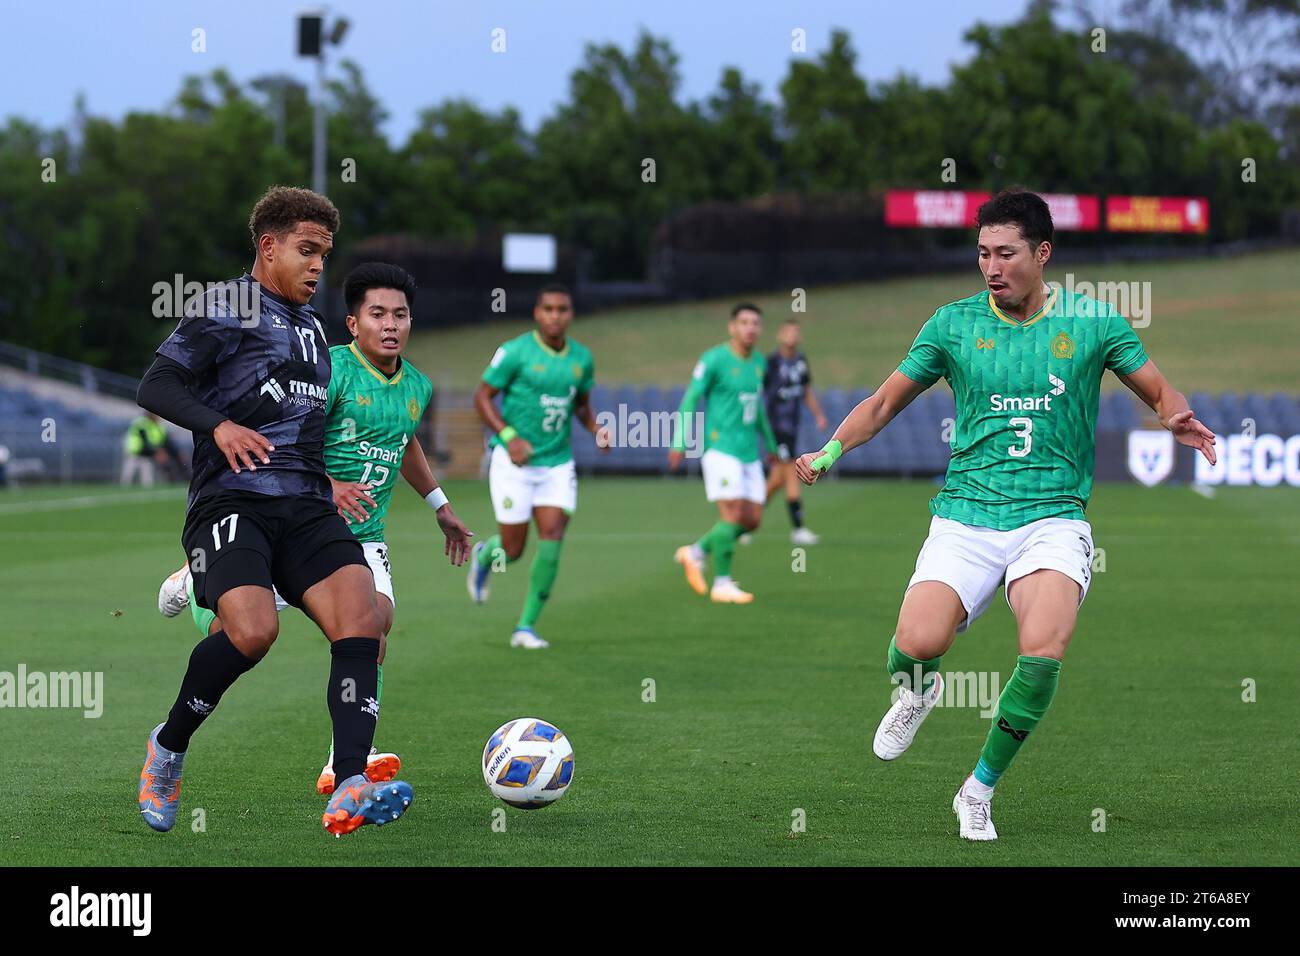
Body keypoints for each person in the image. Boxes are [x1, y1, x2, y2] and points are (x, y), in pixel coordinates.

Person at [797, 188, 1216, 841]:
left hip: (1052, 518)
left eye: (1007, 253)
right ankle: (916, 692)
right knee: (915, 646)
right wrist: (828, 451)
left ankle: (978, 790)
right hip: (966, 515)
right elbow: (882, 403)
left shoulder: (1095, 323)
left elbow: (1158, 389)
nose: (992, 266)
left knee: (1043, 649)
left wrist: (1174, 416)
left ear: (1042, 252)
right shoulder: (953, 324)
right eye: (983, 252)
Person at [134, 186, 415, 837]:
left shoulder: (316, 331)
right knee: (255, 632)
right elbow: (157, 384)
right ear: (268, 246)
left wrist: (330, 480)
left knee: (366, 621)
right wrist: (220, 427)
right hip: (231, 502)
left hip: (306, 505)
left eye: (325, 253)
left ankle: (348, 781)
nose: (319, 266)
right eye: (306, 250)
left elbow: (303, 424)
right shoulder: (226, 305)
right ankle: (168, 747)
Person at [155, 261, 472, 796]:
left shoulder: (417, 384)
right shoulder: (329, 368)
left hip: (360, 532)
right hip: (296, 512)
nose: (391, 324)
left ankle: (344, 763)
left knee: (372, 626)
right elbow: (286, 434)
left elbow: (405, 440)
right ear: (353, 324)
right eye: (378, 314)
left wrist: (439, 503)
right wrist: (328, 486)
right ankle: (198, 573)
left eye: (401, 315)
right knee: (242, 635)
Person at [465, 284, 609, 648]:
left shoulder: (582, 359)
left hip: (557, 463)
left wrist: (596, 428)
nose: (555, 315)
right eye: (548, 308)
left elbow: (580, 406)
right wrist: (509, 435)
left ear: (571, 314)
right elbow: (482, 397)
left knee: (554, 534)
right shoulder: (515, 352)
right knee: (512, 551)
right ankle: (486, 555)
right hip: (513, 463)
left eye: (562, 309)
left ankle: (525, 627)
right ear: (537, 313)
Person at [670, 303, 780, 604]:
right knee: (732, 514)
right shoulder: (714, 359)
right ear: (732, 327)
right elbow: (691, 398)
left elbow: (756, 408)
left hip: (748, 452)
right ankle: (722, 584)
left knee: (752, 519)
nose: (750, 328)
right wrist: (680, 440)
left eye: (755, 323)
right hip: (720, 449)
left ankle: (694, 553)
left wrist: (770, 444)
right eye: (744, 322)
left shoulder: (759, 363)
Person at [761, 318, 828, 545]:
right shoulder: (771, 362)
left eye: (796, 332)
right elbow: (760, 394)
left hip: (792, 427)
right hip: (776, 427)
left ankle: (746, 519)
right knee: (790, 472)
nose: (794, 336)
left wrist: (818, 414)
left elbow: (805, 390)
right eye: (789, 332)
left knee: (777, 479)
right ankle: (798, 528)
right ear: (780, 335)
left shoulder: (801, 361)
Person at [120, 411, 168, 486]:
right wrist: (156, 452)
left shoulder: (157, 425)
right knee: (128, 473)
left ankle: (146, 488)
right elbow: (145, 441)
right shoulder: (142, 422)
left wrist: (160, 452)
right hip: (135, 451)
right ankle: (124, 487)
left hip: (146, 453)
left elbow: (163, 440)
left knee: (146, 475)